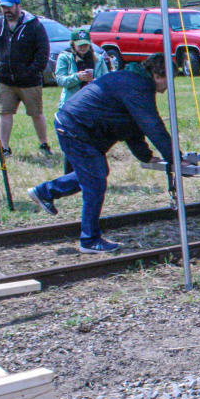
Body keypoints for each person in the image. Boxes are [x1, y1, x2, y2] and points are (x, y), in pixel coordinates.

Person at [27, 53, 174, 254]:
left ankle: (45, 192)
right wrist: (174, 156)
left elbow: (133, 126)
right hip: (77, 127)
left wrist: (146, 155)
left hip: (75, 124)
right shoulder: (138, 86)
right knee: (94, 181)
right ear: (158, 74)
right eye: (169, 79)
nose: (168, 88)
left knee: (93, 175)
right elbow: (152, 124)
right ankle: (89, 240)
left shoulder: (132, 80)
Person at [0, 0, 51, 156]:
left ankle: (44, 144)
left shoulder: (34, 25)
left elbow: (43, 51)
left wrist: (32, 71)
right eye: (3, 7)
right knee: (4, 113)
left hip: (30, 81)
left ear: (18, 6)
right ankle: (4, 148)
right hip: (5, 80)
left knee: (36, 113)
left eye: (9, 6)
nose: (6, 10)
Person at [54, 29, 109, 110]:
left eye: (85, 45)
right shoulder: (64, 57)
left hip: (94, 102)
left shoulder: (98, 59)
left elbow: (107, 80)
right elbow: (61, 81)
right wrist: (78, 77)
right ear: (73, 44)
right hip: (71, 104)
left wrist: (97, 82)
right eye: (80, 45)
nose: (83, 48)